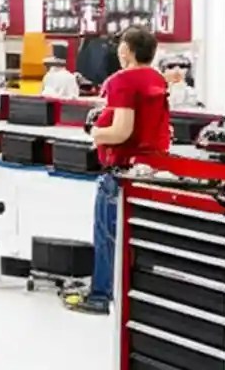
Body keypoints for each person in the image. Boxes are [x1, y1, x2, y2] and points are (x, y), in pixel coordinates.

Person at [65, 26, 170, 316]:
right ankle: (130, 296)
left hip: (120, 173)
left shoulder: (122, 80)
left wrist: (96, 133)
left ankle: (101, 295)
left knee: (107, 235)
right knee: (136, 240)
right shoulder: (157, 79)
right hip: (150, 170)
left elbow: (122, 130)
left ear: (126, 50)